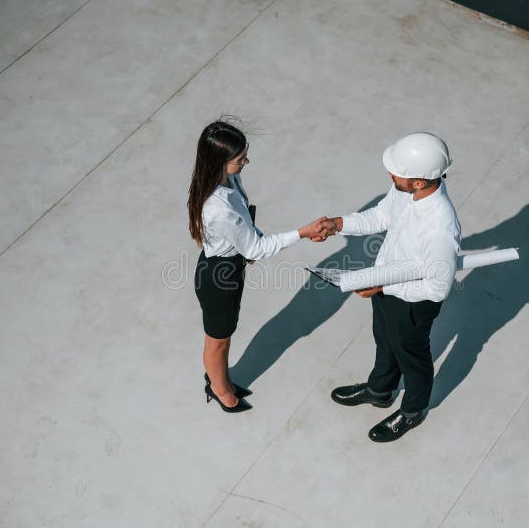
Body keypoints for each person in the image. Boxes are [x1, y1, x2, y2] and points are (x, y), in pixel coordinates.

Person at [188, 119, 334, 413]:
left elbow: (245, 238)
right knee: (218, 341)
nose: (246, 161)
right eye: (240, 158)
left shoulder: (225, 180)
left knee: (224, 335)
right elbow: (255, 247)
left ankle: (222, 378)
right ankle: (218, 387)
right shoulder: (217, 208)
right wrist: (303, 233)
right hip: (220, 278)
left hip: (228, 266)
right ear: (220, 161)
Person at [325, 132, 461, 442]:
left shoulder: (441, 226)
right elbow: (381, 216)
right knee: (385, 339)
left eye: (396, 172)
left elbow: (438, 288)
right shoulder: (405, 189)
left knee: (412, 354)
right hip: (384, 285)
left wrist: (384, 286)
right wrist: (338, 224)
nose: (390, 174)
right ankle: (380, 390)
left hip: (414, 301)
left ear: (418, 182)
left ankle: (413, 410)